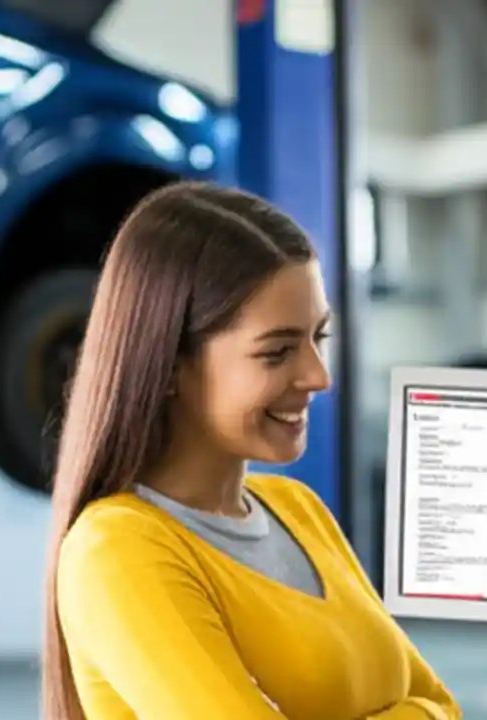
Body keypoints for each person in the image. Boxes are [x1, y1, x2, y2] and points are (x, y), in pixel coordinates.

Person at [39, 182, 460, 720]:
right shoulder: (117, 550)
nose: (319, 377)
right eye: (277, 352)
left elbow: (444, 704)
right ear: (169, 367)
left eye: (318, 338)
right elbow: (430, 709)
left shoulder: (299, 509)